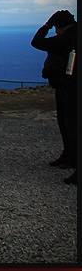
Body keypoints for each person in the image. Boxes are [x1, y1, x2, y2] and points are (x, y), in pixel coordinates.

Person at [30, 11, 77, 184]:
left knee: (71, 125)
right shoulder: (70, 38)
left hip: (71, 86)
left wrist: (47, 25)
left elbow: (36, 42)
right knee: (66, 122)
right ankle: (69, 155)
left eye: (56, 27)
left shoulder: (67, 38)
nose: (55, 31)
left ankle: (74, 160)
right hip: (65, 85)